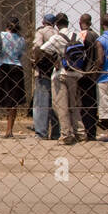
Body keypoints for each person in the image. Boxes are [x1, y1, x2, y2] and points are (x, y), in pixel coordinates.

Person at [42, 13, 84, 144]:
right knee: (74, 104)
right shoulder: (77, 36)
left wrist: (54, 59)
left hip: (60, 73)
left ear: (56, 24)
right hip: (75, 73)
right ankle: (80, 133)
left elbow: (43, 49)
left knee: (61, 106)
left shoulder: (56, 38)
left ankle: (66, 134)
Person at [0, 16, 26, 138]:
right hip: (17, 68)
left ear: (6, 25)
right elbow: (20, 54)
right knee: (13, 101)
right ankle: (9, 130)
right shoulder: (21, 39)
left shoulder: (0, 35)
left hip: (2, 67)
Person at [30, 14, 59, 139]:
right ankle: (56, 132)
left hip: (42, 71)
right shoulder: (58, 34)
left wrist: (34, 61)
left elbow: (37, 47)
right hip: (56, 70)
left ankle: (41, 132)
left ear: (43, 22)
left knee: (41, 103)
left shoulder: (41, 32)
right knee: (55, 102)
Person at [76, 13, 101, 141]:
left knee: (83, 104)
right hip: (93, 73)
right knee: (92, 104)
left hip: (83, 73)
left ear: (81, 23)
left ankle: (85, 131)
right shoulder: (96, 36)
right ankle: (92, 132)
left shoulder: (82, 35)